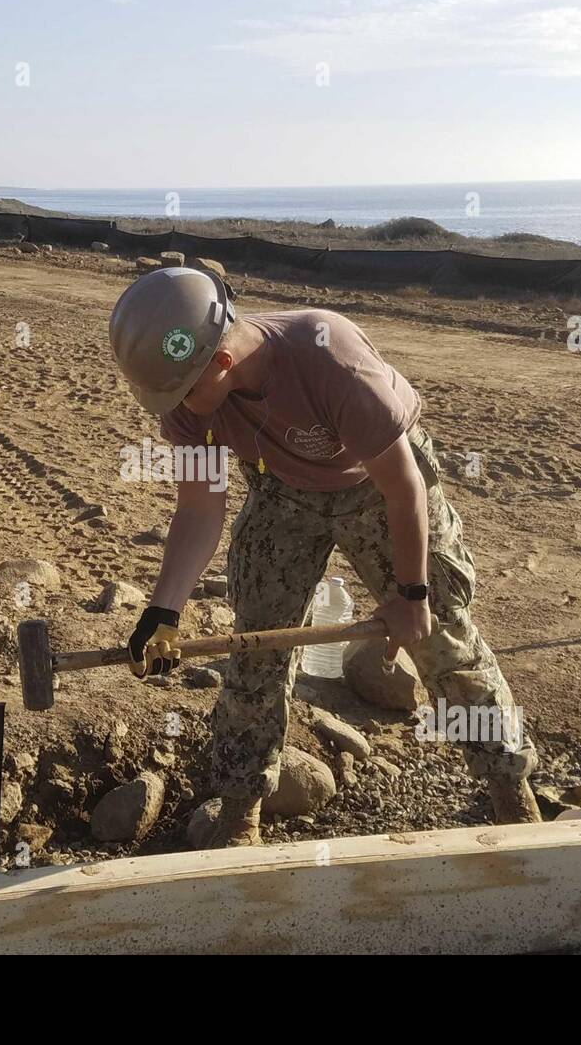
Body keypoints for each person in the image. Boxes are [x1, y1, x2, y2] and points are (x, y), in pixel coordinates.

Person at [109, 266, 540, 848]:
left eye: (182, 394)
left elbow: (403, 487)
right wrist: (162, 611)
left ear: (222, 363)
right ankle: (241, 812)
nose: (177, 410)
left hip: (378, 484)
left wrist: (411, 596)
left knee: (441, 636)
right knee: (259, 641)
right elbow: (199, 509)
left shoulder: (328, 355)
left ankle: (510, 791)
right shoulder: (187, 402)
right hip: (281, 490)